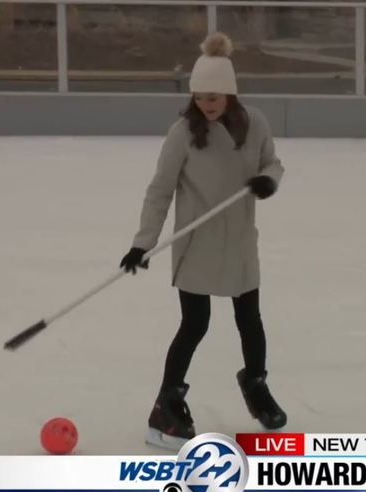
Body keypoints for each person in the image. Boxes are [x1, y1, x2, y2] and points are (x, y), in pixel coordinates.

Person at [120, 32, 286, 449]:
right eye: (200, 97)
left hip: (240, 239)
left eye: (214, 97)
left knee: (250, 319)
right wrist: (142, 243)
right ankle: (167, 405)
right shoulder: (183, 133)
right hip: (197, 242)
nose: (206, 105)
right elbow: (160, 190)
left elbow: (273, 162)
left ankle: (255, 383)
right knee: (195, 323)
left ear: (230, 94)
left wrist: (268, 180)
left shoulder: (256, 124)